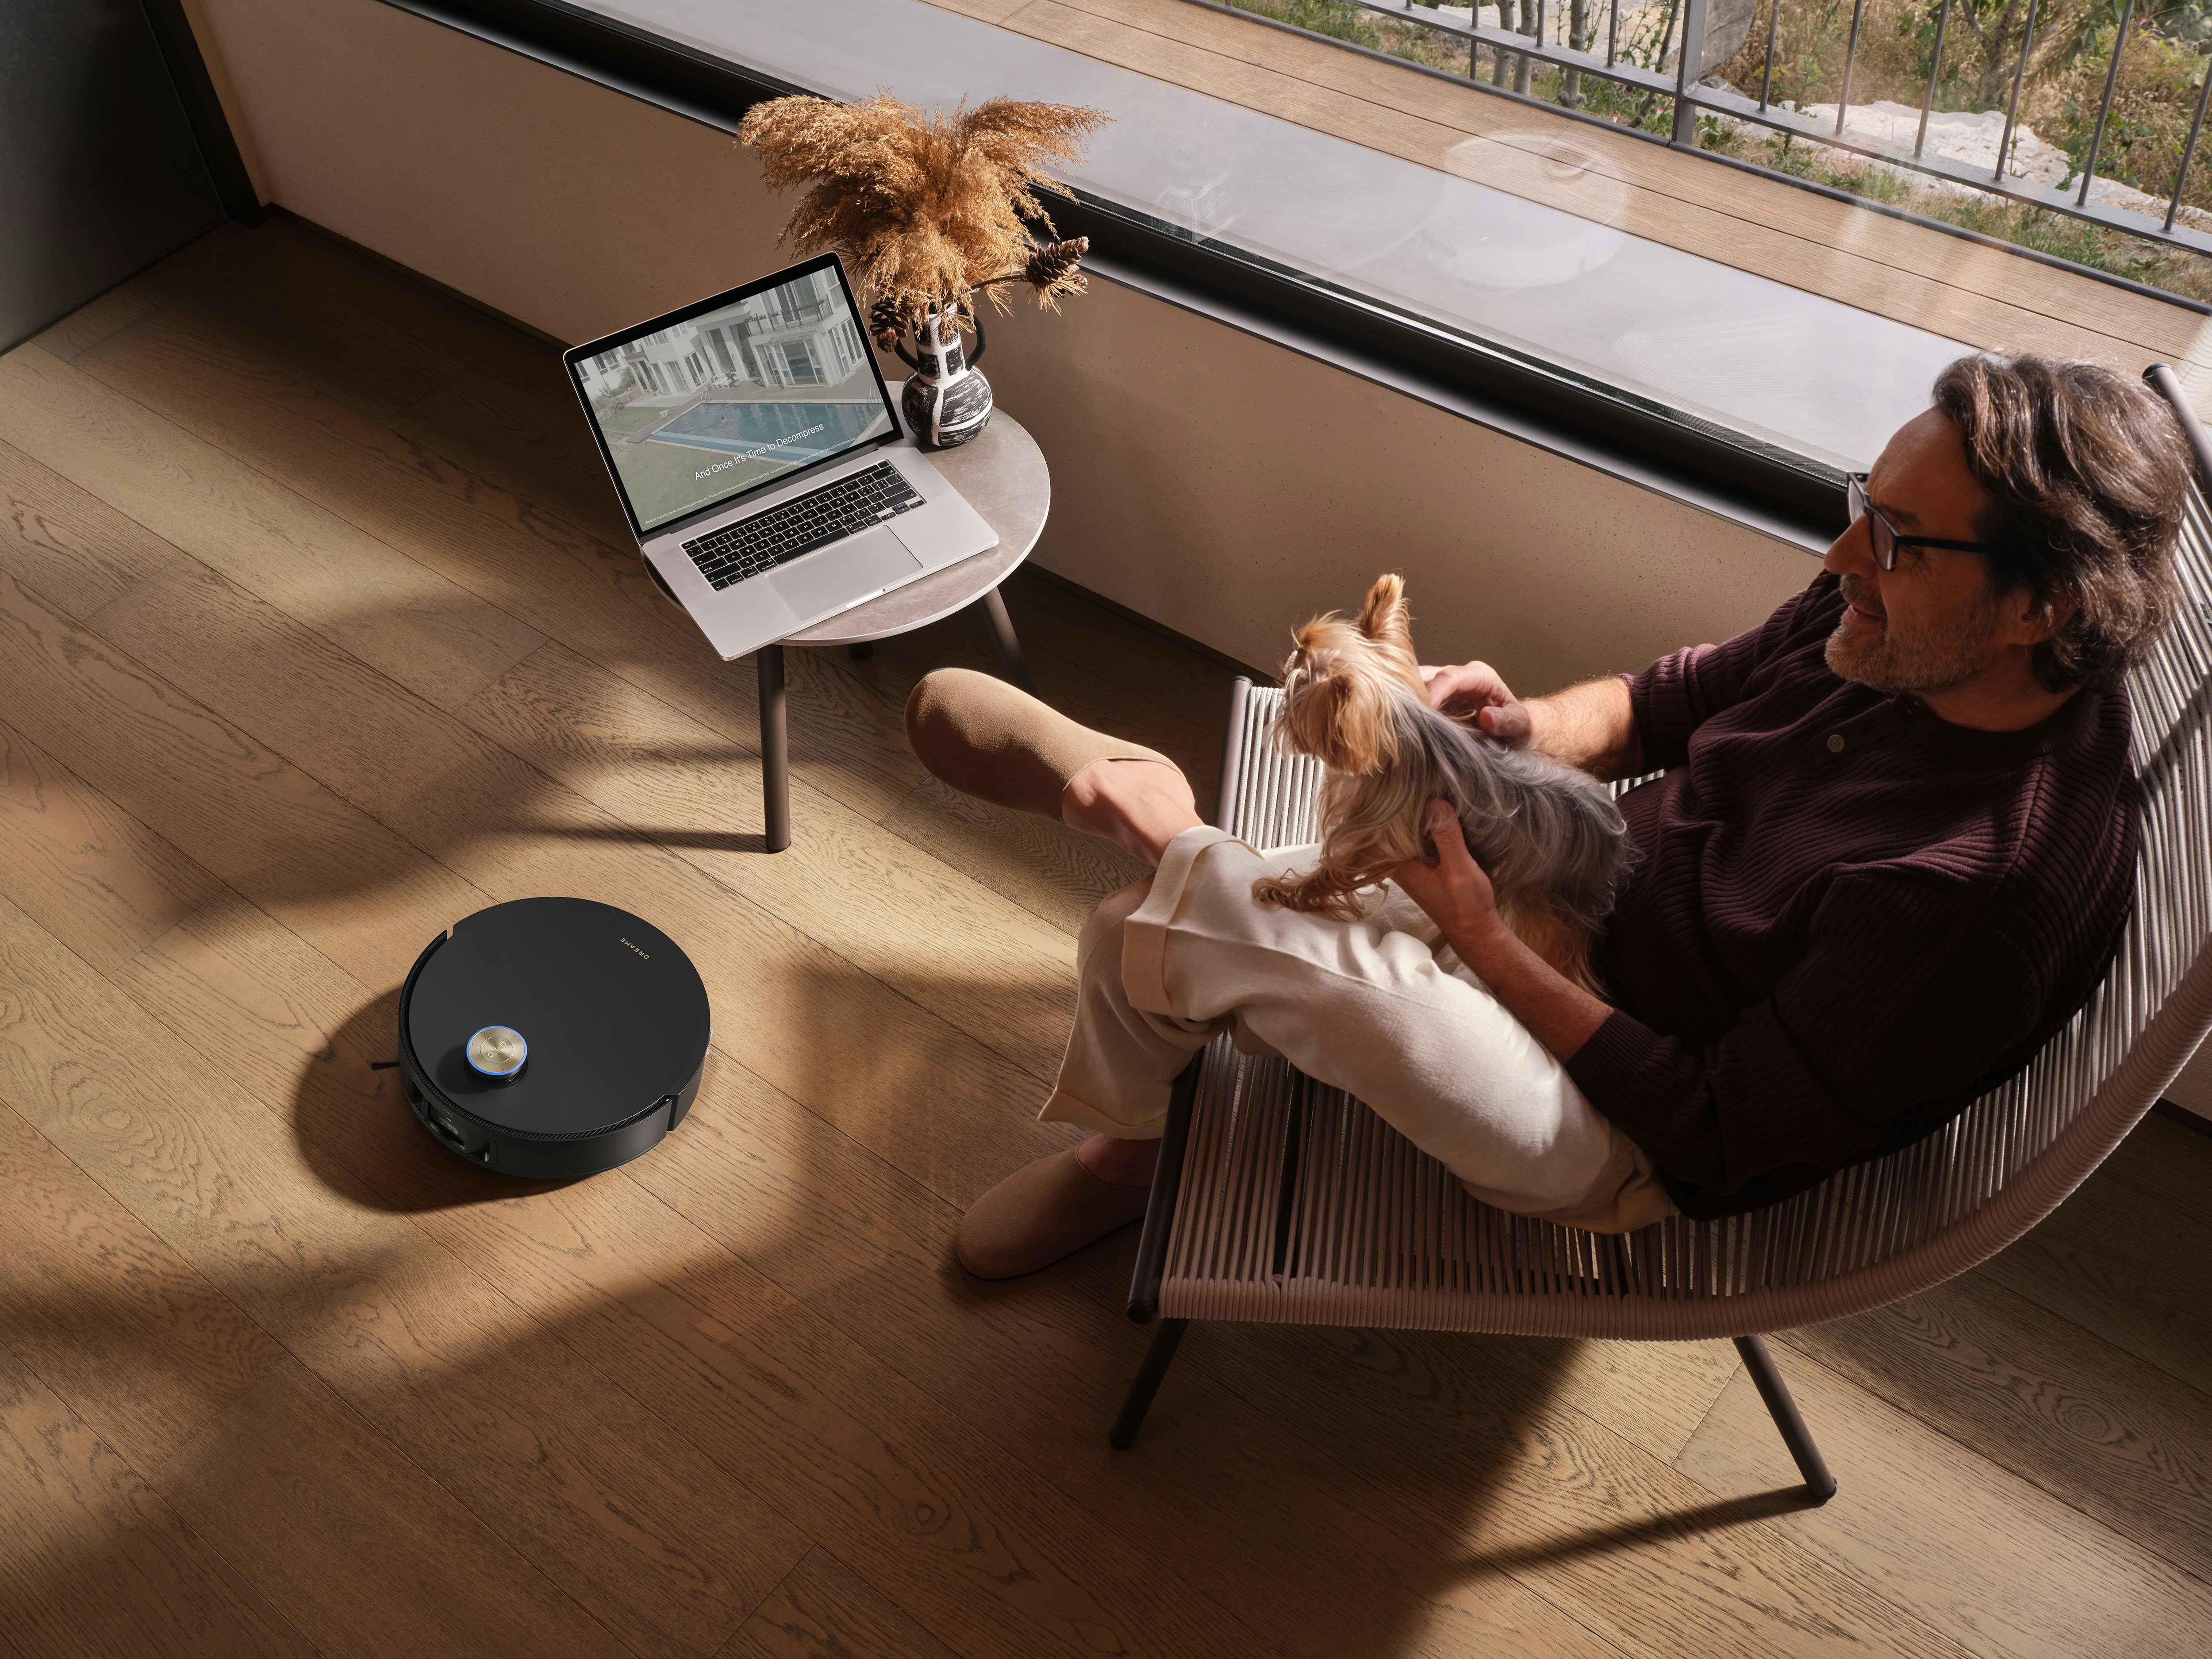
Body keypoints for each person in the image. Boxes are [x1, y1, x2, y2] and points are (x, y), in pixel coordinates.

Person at [907, 353, 2195, 1279]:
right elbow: (1674, 699)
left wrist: (1485, 944)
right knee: (1144, 928)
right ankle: (1130, 1150)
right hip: (1578, 898)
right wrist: (1525, 733)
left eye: (1899, 537)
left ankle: (1151, 815)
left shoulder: (1977, 889)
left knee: (1215, 918)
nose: (1844, 557)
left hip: (1622, 1131)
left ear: (2041, 609)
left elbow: (1715, 1131)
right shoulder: (1889, 623)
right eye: (1861, 503)